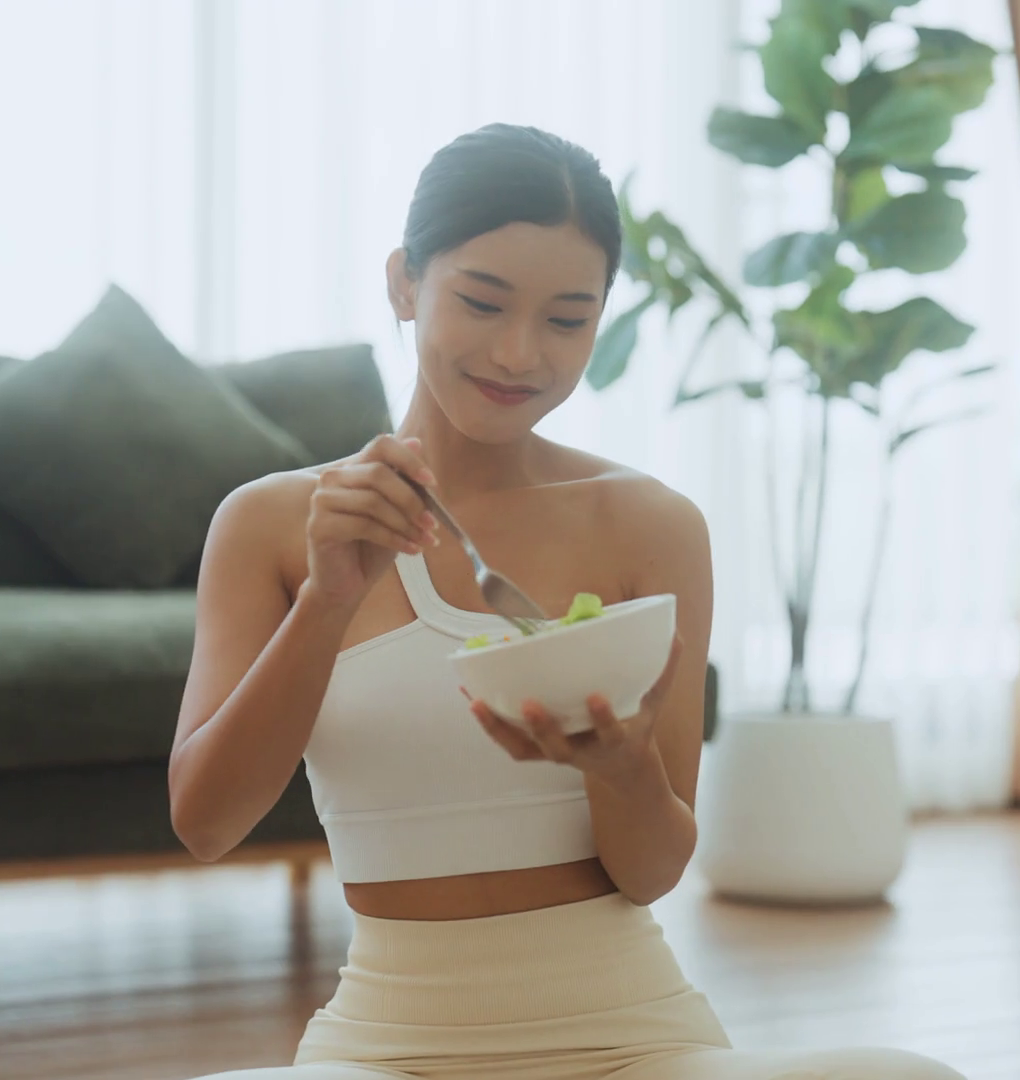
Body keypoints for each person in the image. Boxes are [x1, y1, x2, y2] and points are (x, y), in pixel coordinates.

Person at [171, 124, 965, 1080]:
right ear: (404, 283)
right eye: (482, 302)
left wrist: (623, 771)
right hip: (390, 1047)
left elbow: (654, 872)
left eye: (566, 319)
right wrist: (327, 601)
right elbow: (206, 823)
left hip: (634, 1042)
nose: (520, 353)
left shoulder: (652, 525)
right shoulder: (273, 523)